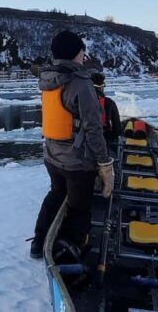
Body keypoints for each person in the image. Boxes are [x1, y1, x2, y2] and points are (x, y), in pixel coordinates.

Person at [30, 31, 115, 259]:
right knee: (79, 208)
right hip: (77, 163)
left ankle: (39, 244)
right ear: (75, 54)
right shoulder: (80, 83)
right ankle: (71, 252)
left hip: (52, 157)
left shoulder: (47, 80)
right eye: (82, 52)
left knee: (56, 195)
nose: (83, 56)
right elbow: (93, 129)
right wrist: (104, 163)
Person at [91, 72, 122, 144]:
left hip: (86, 137)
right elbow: (117, 127)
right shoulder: (109, 103)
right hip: (104, 136)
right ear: (102, 88)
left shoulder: (82, 101)